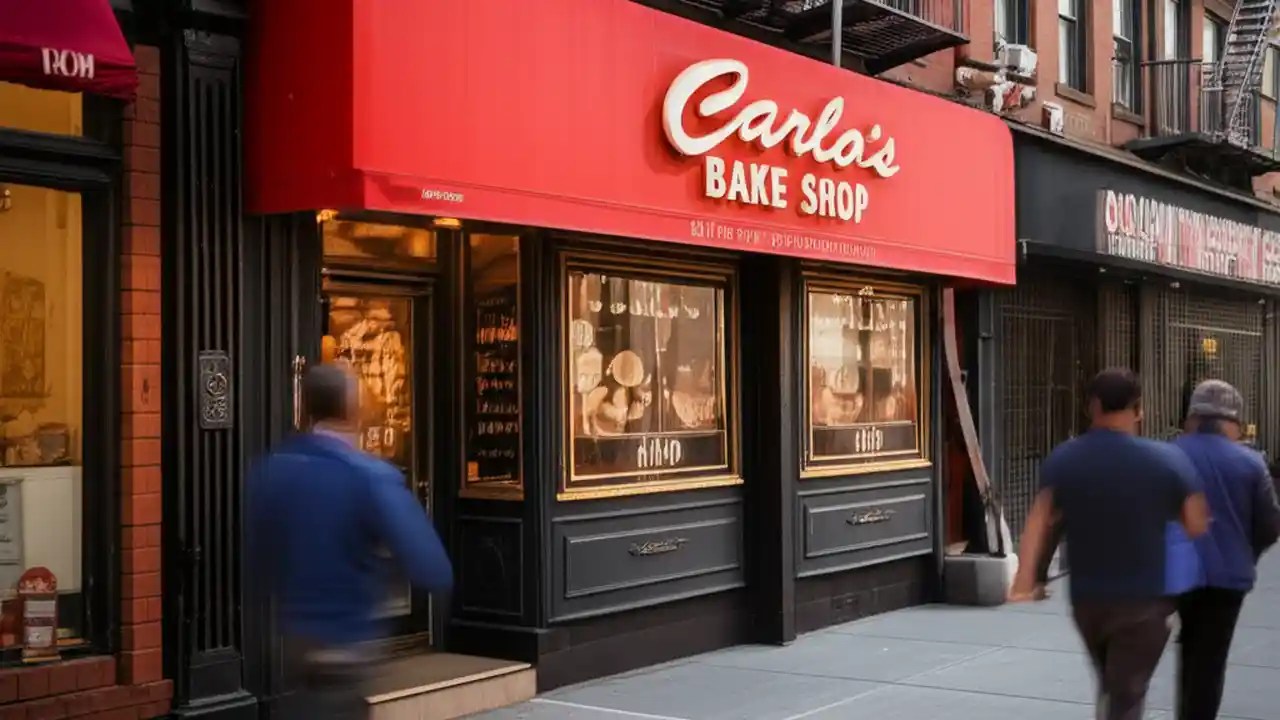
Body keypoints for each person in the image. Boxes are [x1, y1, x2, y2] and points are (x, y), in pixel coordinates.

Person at [248, 363, 454, 720]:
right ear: (352, 409)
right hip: (346, 646)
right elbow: (431, 567)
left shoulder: (273, 471)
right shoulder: (367, 477)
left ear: (308, 407)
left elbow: (256, 564)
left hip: (294, 647)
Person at [1009, 368, 1210, 720]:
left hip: (1089, 601)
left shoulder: (1065, 459)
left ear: (1093, 407)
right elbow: (1196, 524)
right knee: (1127, 695)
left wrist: (1027, 579)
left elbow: (1040, 522)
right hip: (1145, 601)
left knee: (1114, 684)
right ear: (1139, 409)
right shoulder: (1167, 460)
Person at [1171, 380, 1280, 720]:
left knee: (1186, 649)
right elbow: (1270, 525)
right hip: (1227, 579)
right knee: (1210, 660)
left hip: (1176, 574)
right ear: (1233, 422)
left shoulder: (1169, 456)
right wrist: (1246, 552)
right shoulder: (1251, 464)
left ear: (1192, 417)